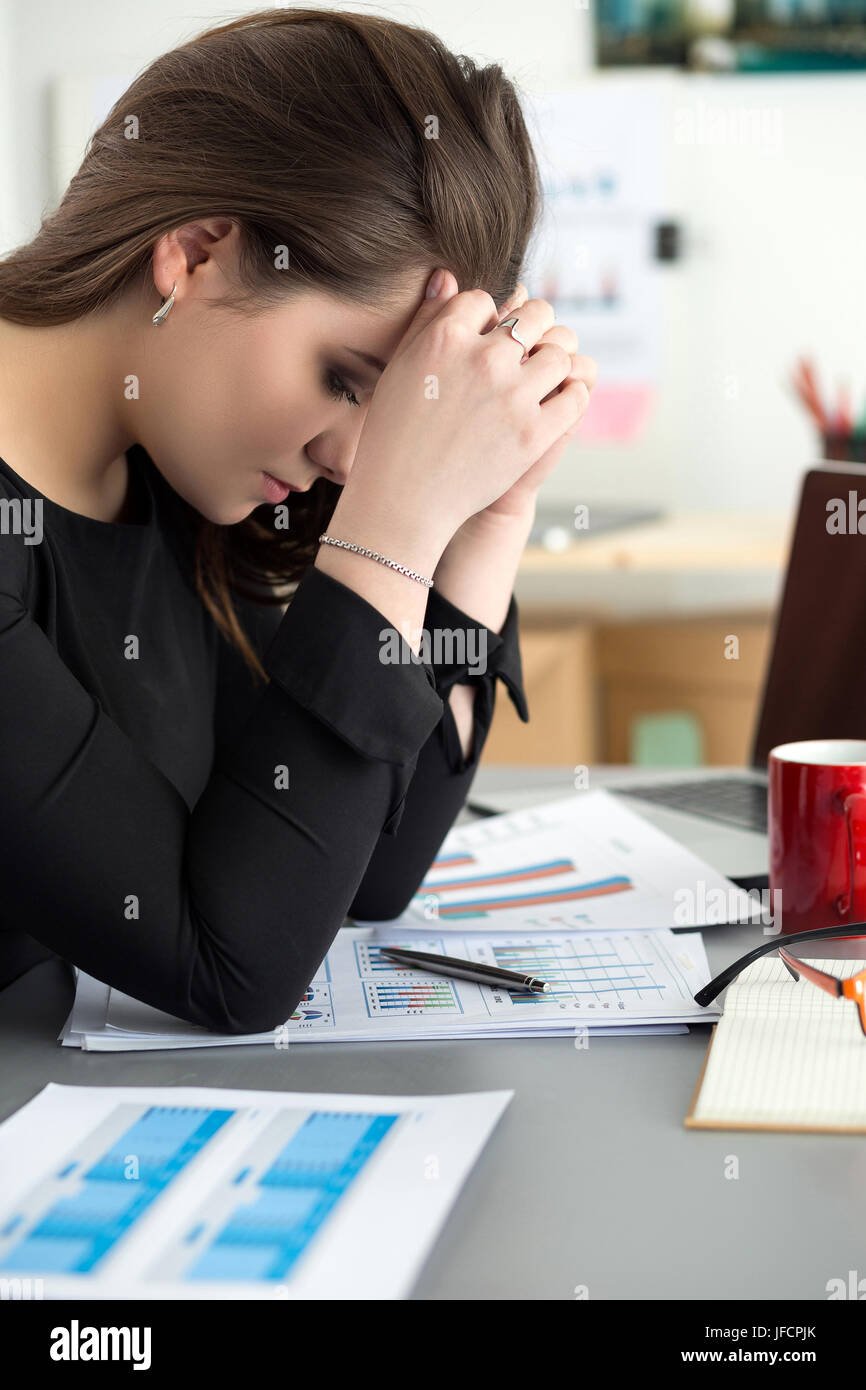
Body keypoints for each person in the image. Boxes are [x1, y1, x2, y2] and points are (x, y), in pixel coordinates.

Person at [0, 8, 596, 1034]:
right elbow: (229, 963)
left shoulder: (168, 473)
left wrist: (486, 520)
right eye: (344, 379)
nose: (354, 458)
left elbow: (360, 867)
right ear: (194, 252)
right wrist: (391, 529)